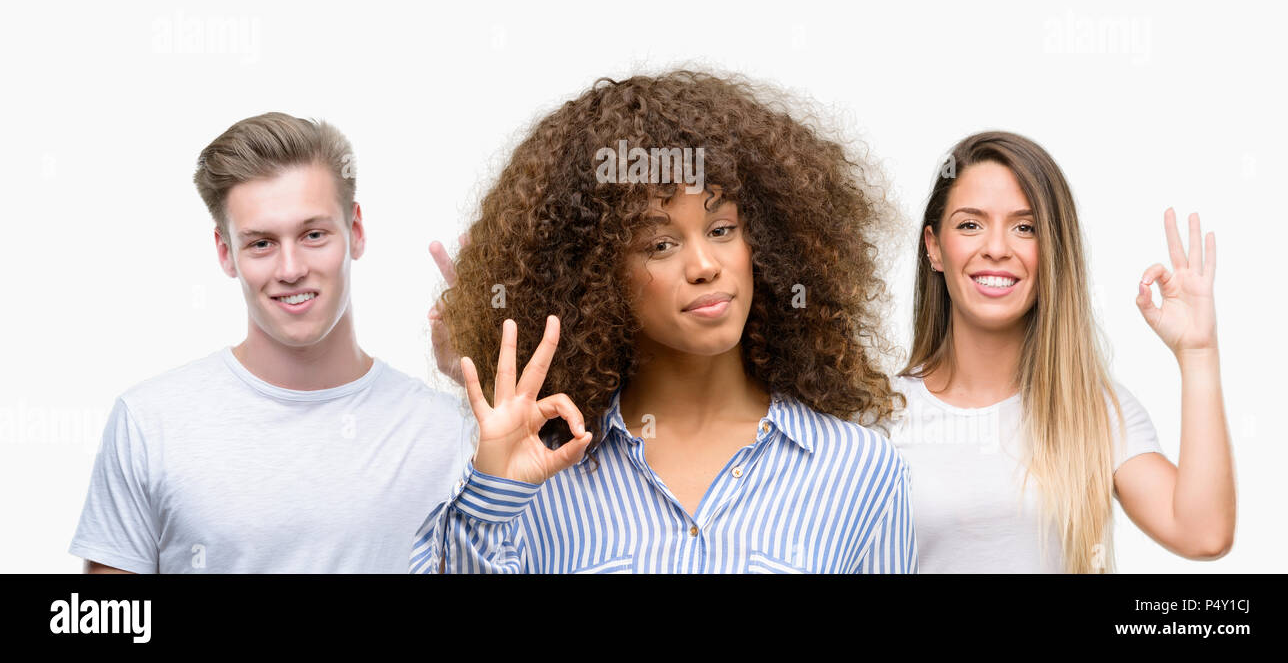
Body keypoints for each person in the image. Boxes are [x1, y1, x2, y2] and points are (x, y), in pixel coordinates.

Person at [410, 69, 916, 573]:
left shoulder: (860, 471)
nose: (703, 266)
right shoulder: (537, 473)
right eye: (661, 245)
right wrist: (491, 492)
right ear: (596, 274)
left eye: (721, 229)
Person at [69, 112, 471, 573]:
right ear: (225, 252)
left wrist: (482, 378)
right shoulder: (149, 424)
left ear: (355, 231)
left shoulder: (452, 431)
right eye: (261, 243)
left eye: (313, 234)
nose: (290, 268)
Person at [888, 131, 1235, 573]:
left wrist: (1198, 354)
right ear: (935, 248)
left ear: (1052, 251)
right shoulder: (879, 416)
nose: (996, 248)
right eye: (970, 224)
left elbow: (1203, 534)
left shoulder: (1095, 411)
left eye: (1025, 227)